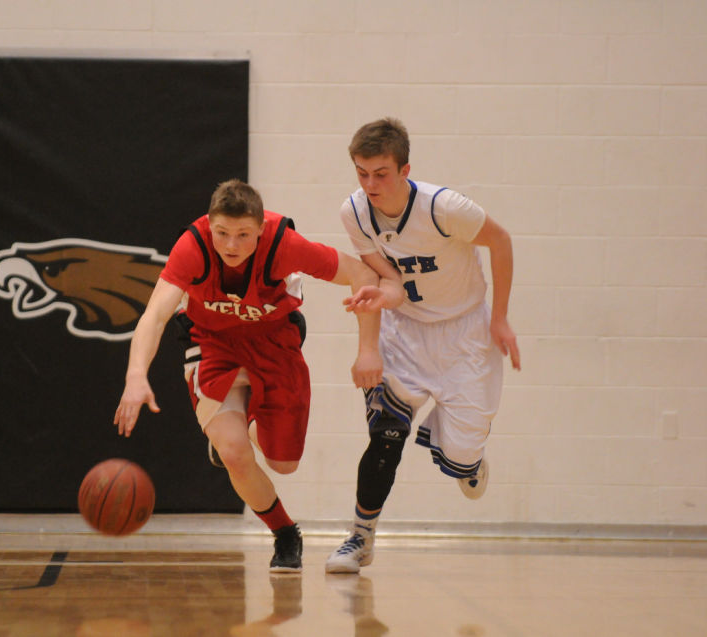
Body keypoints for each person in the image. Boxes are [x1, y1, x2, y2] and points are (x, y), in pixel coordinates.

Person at [114, 179, 401, 573]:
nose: (231, 245)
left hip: (274, 343)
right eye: (222, 233)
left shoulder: (285, 245)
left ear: (261, 230)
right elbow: (155, 314)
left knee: (283, 464)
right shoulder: (192, 247)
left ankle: (243, 422)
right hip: (212, 344)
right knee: (235, 453)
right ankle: (285, 533)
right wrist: (135, 375)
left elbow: (362, 274)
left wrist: (368, 349)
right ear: (210, 225)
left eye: (243, 235)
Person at [326, 117, 522, 574]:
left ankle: (467, 460)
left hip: (465, 332)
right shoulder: (354, 212)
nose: (370, 184)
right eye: (361, 173)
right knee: (386, 434)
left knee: (461, 460)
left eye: (380, 173)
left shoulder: (444, 208)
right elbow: (391, 283)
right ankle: (360, 537)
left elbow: (501, 241)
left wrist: (499, 317)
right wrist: (379, 309)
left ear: (404, 170)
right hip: (406, 330)